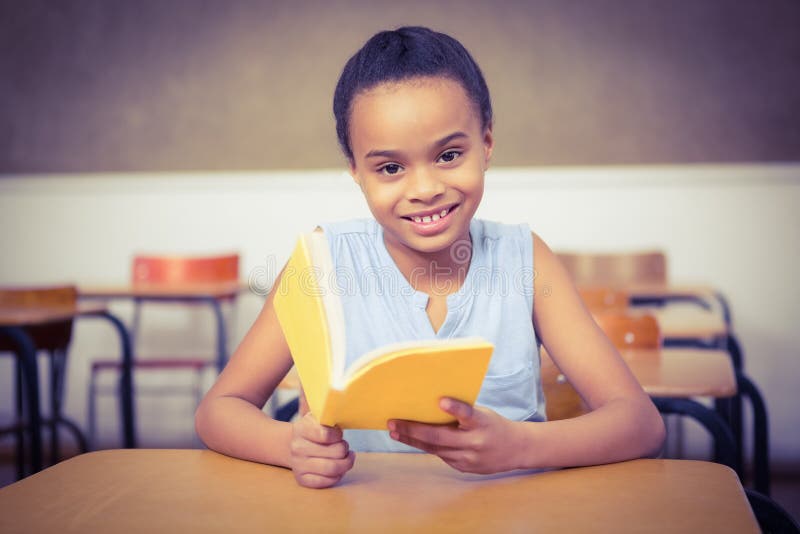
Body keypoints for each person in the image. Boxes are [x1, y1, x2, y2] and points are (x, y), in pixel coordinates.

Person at [195, 26, 665, 489]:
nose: (424, 190)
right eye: (391, 168)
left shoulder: (526, 259)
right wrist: (288, 446)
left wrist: (521, 447)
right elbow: (220, 408)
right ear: (356, 171)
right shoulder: (321, 264)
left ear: (486, 143)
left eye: (448, 155)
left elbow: (641, 424)